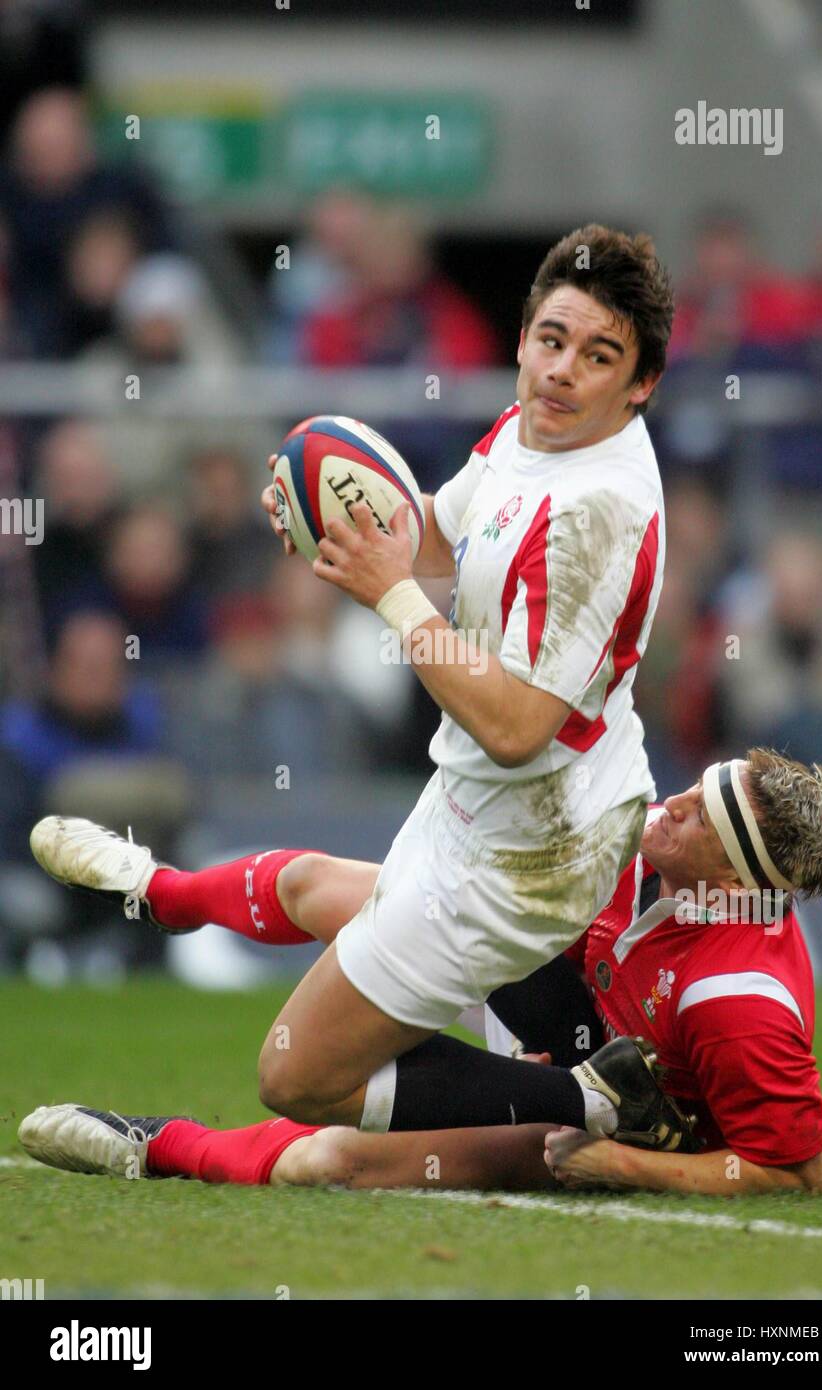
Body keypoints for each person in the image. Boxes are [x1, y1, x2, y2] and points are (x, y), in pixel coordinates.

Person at [29, 224, 680, 1147]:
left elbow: (515, 726)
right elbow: (440, 533)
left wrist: (393, 597)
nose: (562, 369)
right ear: (526, 332)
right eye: (550, 339)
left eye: (599, 354)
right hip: (500, 806)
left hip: (531, 850)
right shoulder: (536, 424)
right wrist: (327, 511)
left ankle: (601, 1101)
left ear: (641, 381)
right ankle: (167, 895)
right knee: (320, 896)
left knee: (298, 1072)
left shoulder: (596, 516)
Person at [21, 749, 822, 1197]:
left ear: (735, 883)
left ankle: (159, 1144)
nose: (672, 804)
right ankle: (159, 891)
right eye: (695, 789)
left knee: (328, 1161)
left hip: (622, 1116)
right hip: (571, 1022)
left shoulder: (735, 1002)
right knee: (326, 888)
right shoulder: (641, 851)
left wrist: (631, 1166)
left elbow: (797, 1170)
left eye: (702, 817)